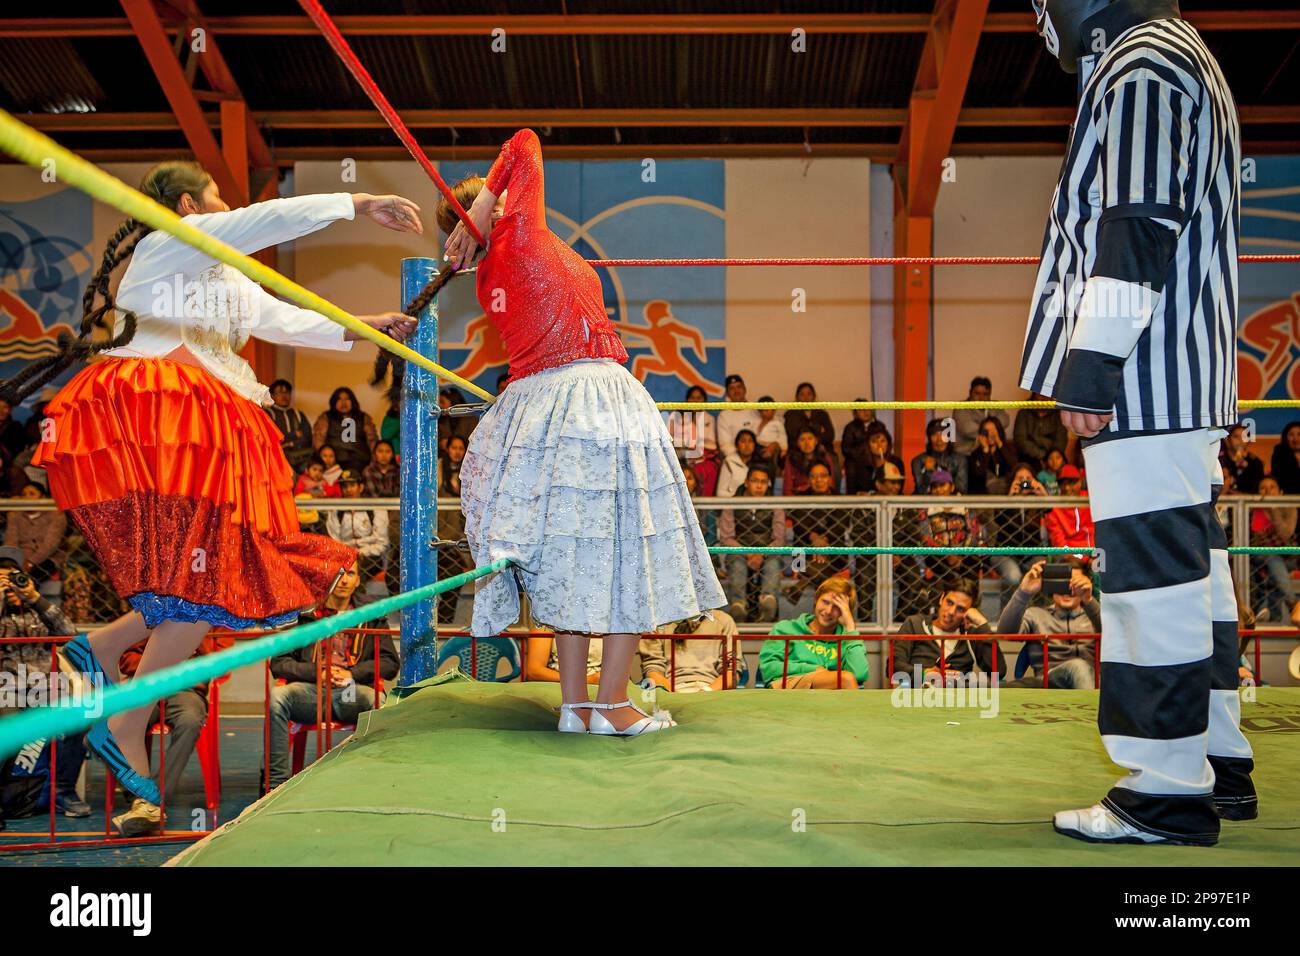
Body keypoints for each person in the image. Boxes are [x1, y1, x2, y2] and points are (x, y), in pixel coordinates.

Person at [13, 160, 418, 804]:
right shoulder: (168, 241)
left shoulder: (222, 274)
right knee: (211, 573)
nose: (226, 206)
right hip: (169, 418)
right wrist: (356, 202)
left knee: (207, 576)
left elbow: (283, 319)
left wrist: (366, 327)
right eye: (216, 198)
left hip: (206, 422)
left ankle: (107, 664)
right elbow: (258, 221)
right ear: (187, 205)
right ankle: (120, 708)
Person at [1021, 0, 1254, 844]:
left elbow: (1139, 219)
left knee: (1150, 584)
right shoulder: (1181, 53)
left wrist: (1093, 365)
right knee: (1193, 578)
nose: (1038, 18)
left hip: (1147, 377)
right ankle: (1216, 763)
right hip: (1179, 374)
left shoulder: (1143, 62)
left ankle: (1163, 788)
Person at [436, 128, 726, 736]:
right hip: (591, 399)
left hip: (547, 409)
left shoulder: (495, 267)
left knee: (575, 556)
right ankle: (613, 705)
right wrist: (489, 204)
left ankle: (576, 706)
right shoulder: (518, 232)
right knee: (624, 549)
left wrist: (479, 218)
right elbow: (524, 142)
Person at [266, 563, 399, 789]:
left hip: (351, 691)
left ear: (358, 581)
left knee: (377, 701)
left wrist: (352, 673)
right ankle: (276, 784)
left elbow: (389, 663)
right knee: (278, 697)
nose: (344, 580)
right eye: (338, 573)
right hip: (312, 692)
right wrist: (318, 673)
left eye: (350, 574)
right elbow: (279, 663)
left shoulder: (371, 614)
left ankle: (375, 779)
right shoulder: (305, 614)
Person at [112, 632, 231, 835]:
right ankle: (139, 793)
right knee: (120, 723)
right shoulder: (152, 614)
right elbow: (126, 659)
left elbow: (217, 660)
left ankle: (151, 799)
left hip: (187, 690)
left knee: (190, 721)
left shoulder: (207, 617)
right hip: (147, 687)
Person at [0, 547, 88, 818]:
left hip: (44, 686)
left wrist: (35, 598)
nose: (13, 585)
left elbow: (69, 633)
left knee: (78, 720)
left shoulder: (38, 608)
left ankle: (63, 791)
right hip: (6, 687)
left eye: (16, 577)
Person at [997, 558, 1100, 688]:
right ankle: (1090, 708)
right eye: (1061, 583)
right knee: (1077, 666)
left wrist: (1089, 600)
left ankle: (1088, 706)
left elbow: (1113, 635)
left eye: (1074, 584)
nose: (1067, 590)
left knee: (1081, 668)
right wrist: (1024, 592)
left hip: (1091, 681)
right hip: (1048, 683)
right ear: (1051, 583)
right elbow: (1005, 634)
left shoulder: (1094, 615)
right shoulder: (1035, 615)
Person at [759, 578, 867, 689]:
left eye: (837, 607)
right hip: (788, 688)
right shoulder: (785, 629)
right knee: (845, 679)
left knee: (845, 679)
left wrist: (850, 625)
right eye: (825, 602)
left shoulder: (848, 638)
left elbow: (859, 674)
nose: (828, 611)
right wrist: (814, 670)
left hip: (830, 696)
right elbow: (769, 668)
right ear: (816, 600)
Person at [891, 579, 1003, 686]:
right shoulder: (915, 625)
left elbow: (999, 671)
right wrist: (926, 674)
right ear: (941, 599)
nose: (951, 612)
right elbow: (893, 667)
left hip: (958, 701)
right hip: (916, 700)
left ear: (968, 613)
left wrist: (982, 624)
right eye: (949, 603)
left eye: (960, 609)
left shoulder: (970, 635)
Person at [717, 466, 784, 623]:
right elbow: (726, 538)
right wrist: (748, 553)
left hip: (767, 552)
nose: (759, 486)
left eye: (763, 482)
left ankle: (768, 601)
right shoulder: (732, 504)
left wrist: (761, 554)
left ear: (768, 485)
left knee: (773, 562)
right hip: (740, 551)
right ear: (746, 483)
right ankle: (738, 605)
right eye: (755, 481)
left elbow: (779, 538)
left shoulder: (776, 504)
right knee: (737, 563)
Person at [639, 608, 741, 692]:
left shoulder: (723, 620)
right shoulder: (656, 622)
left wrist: (706, 691)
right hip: (670, 691)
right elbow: (653, 669)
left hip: (712, 691)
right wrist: (675, 696)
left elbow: (732, 672)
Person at [326, 471, 389, 584]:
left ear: (361, 487)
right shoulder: (335, 510)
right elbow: (334, 541)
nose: (348, 490)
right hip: (344, 555)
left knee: (358, 570)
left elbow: (382, 543)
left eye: (352, 485)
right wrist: (348, 552)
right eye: (345, 486)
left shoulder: (375, 508)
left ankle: (357, 598)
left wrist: (361, 552)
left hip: (370, 555)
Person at [3, 480, 67, 588]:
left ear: (43, 497)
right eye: (24, 494)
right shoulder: (15, 515)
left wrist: (30, 562)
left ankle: (29, 600)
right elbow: (11, 541)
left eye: (32, 494)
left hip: (48, 558)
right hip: (21, 556)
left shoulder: (56, 515)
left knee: (30, 578)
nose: (27, 497)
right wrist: (15, 561)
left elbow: (50, 544)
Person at [313, 388, 377, 475]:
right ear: (334, 402)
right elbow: (318, 440)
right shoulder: (326, 418)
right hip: (334, 463)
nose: (343, 403)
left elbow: (372, 441)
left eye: (347, 399)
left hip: (360, 461)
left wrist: (374, 462)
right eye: (339, 399)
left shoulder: (363, 417)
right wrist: (325, 459)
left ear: (353, 401)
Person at [949, 377, 1012, 456]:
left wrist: (983, 427)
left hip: (992, 451)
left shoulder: (995, 405)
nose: (981, 398)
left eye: (985, 394)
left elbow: (1006, 420)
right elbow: (968, 430)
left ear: (990, 394)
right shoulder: (961, 407)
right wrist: (993, 428)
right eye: (977, 393)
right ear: (970, 392)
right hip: (967, 453)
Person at [1042, 465, 1094, 555]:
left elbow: (1098, 532)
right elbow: (1059, 543)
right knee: (1073, 569)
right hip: (1069, 557)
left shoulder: (1090, 499)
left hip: (1094, 552)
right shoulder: (1054, 509)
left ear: (1080, 482)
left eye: (1071, 483)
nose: (1066, 488)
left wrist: (1094, 554)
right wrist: (1082, 558)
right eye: (1063, 484)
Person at [265, 379, 314, 474]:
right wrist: (294, 435)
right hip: (277, 458)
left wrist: (289, 442)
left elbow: (307, 436)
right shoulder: (268, 414)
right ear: (272, 395)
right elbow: (271, 437)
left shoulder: (298, 414)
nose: (284, 396)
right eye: (280, 392)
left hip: (300, 458)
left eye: (287, 392)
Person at [910, 417, 968, 494]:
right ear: (929, 438)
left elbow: (962, 489)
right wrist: (928, 472)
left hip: (951, 504)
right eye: (934, 434)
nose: (939, 439)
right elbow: (921, 492)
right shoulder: (918, 461)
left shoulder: (960, 460)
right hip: (926, 504)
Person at [1013, 399, 1069, 472]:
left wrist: (1052, 458)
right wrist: (1043, 456)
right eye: (1040, 393)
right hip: (1029, 459)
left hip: (1054, 458)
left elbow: (1061, 440)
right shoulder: (1024, 412)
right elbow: (1020, 440)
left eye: (1046, 393)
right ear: (1034, 393)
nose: (1043, 396)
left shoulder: (1058, 413)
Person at [968, 415, 1019, 495]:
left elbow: (1015, 467)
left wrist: (999, 444)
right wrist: (985, 450)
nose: (990, 434)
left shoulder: (1008, 449)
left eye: (993, 430)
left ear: (999, 431)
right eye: (986, 431)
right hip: (983, 496)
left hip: (1006, 494)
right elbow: (978, 474)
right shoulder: (976, 453)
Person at [783, 427, 839, 496]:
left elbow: (830, 483)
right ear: (797, 443)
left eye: (810, 439)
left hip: (821, 495)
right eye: (802, 439)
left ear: (816, 441)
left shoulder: (825, 456)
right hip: (799, 497)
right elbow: (787, 487)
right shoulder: (791, 458)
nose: (807, 443)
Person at [716, 428, 769, 499]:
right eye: (743, 441)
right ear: (736, 444)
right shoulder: (729, 462)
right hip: (734, 505)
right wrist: (737, 501)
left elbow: (768, 489)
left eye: (750, 441)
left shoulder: (761, 463)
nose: (747, 445)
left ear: (755, 445)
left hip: (758, 504)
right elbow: (720, 493)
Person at [716, 374, 761, 456]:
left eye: (739, 387)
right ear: (727, 393)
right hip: (735, 458)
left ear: (745, 389)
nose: (736, 391)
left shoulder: (757, 409)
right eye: (732, 388)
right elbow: (725, 445)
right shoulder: (724, 416)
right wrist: (742, 458)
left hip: (759, 455)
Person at [783, 382, 835, 453]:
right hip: (798, 452)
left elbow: (830, 435)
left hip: (821, 450)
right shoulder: (790, 415)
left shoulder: (822, 414)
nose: (806, 398)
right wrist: (818, 428)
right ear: (797, 398)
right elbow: (792, 436)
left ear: (814, 397)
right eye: (802, 395)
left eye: (809, 394)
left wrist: (815, 441)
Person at [840, 405, 877, 494]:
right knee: (852, 467)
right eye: (861, 410)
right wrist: (862, 451)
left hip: (874, 458)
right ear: (855, 413)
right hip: (856, 460)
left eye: (867, 408)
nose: (865, 412)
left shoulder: (878, 425)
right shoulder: (850, 427)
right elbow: (846, 449)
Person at [1218, 424, 1264, 494]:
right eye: (1236, 437)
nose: (1240, 440)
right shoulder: (1219, 461)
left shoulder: (1255, 462)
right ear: (1228, 439)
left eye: (1244, 437)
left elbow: (1257, 487)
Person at [1269, 422, 1300, 494]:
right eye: (1291, 435)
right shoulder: (1279, 455)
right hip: (1287, 498)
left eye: (1299, 434)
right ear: (1285, 437)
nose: (1296, 439)